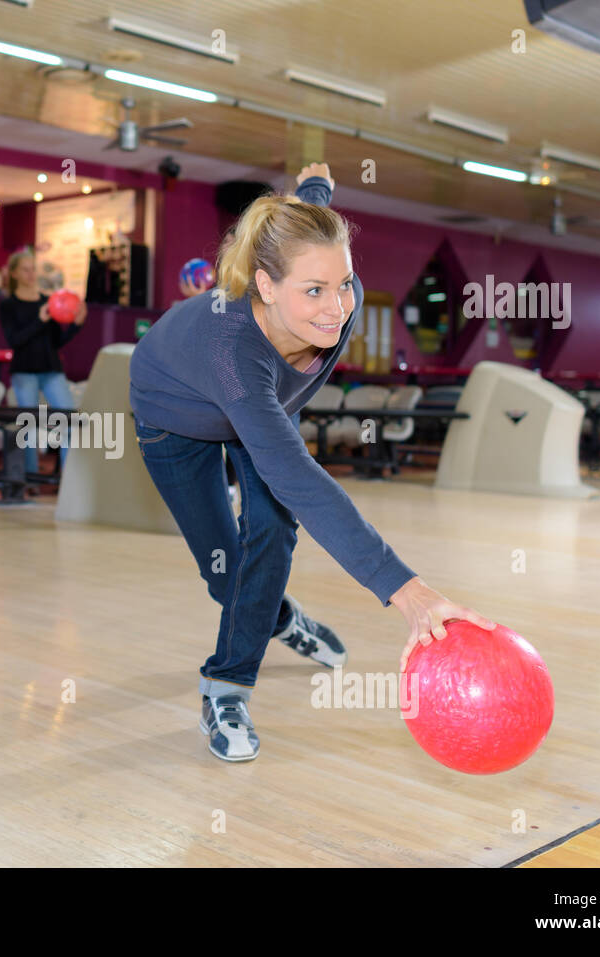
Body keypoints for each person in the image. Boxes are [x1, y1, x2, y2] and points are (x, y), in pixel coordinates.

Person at [129, 163, 496, 762]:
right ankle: (279, 617)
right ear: (266, 287)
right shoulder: (232, 352)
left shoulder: (325, 284)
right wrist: (407, 591)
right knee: (228, 575)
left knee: (272, 532)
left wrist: (315, 190)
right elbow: (298, 478)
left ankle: (226, 687)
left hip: (264, 406)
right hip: (174, 413)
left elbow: (306, 224)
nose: (337, 308)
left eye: (344, 284)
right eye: (315, 292)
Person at [0, 248, 87, 477]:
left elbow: (57, 341)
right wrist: (39, 320)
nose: (30, 274)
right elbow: (14, 340)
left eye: (33, 269)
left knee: (68, 419)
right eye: (25, 270)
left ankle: (69, 480)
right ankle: (29, 478)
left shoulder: (50, 301)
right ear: (15, 273)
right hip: (24, 371)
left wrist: (76, 324)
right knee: (28, 426)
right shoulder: (8, 305)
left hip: (52, 370)